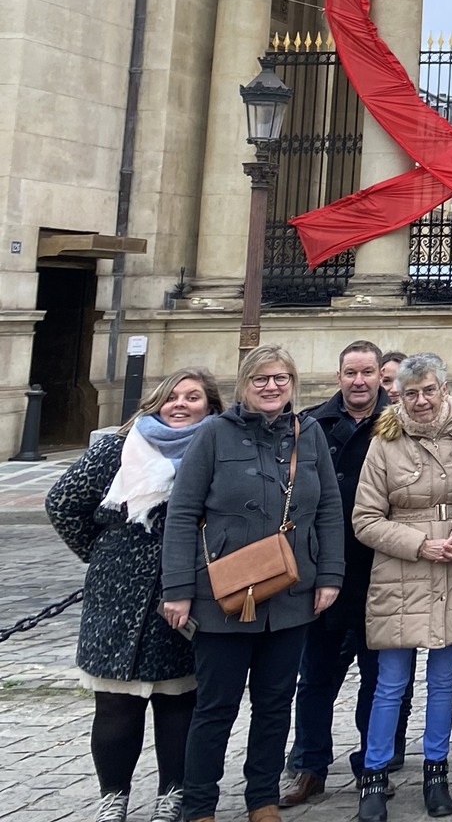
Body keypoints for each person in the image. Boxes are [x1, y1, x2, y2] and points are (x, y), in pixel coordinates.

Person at [160, 346, 345, 822]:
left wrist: (330, 575)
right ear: (244, 384)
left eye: (280, 378)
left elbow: (328, 510)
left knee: (274, 705)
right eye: (261, 379)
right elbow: (182, 514)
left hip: (290, 595)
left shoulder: (311, 435)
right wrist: (177, 588)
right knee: (215, 709)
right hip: (225, 595)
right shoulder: (213, 435)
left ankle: (261, 799)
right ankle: (198, 804)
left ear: (293, 383)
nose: (271, 387)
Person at [47, 367, 224, 822]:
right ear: (156, 403)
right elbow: (62, 503)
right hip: (117, 597)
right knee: (115, 703)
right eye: (172, 396)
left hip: (184, 591)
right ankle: (113, 796)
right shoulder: (117, 449)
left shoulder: (218, 450)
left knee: (178, 699)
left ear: (211, 406)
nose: (181, 404)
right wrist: (104, 553)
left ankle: (173, 792)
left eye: (194, 397)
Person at [351, 354, 452, 821]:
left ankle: (436, 770)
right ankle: (373, 773)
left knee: (444, 680)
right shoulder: (383, 442)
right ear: (399, 396)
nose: (422, 400)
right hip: (401, 569)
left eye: (429, 390)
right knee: (390, 682)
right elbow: (365, 519)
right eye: (411, 393)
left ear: (445, 388)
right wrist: (420, 544)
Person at [284, 341, 395, 809]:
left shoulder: (397, 421)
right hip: (323, 569)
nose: (359, 381)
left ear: (378, 376)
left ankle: (375, 765)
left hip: (381, 569)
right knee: (315, 676)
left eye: (367, 372)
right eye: (351, 372)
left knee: (381, 678)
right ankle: (310, 765)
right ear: (338, 377)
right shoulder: (309, 424)